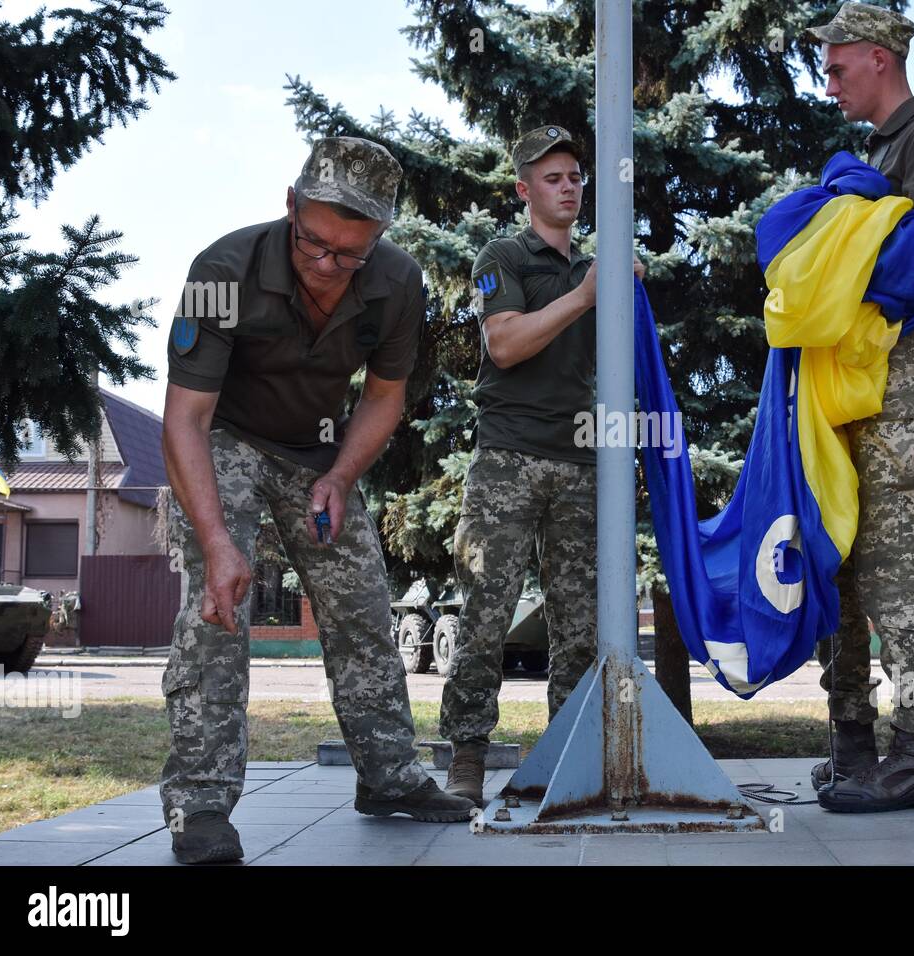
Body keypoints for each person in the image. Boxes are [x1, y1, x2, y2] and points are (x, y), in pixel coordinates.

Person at [161, 136, 475, 864]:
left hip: (319, 451)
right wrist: (216, 543)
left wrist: (339, 476)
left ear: (381, 239)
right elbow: (185, 418)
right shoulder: (222, 271)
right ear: (291, 205)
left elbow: (386, 396)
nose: (327, 266)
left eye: (350, 254)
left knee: (364, 604)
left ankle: (391, 775)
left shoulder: (398, 282)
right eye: (314, 244)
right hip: (225, 439)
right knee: (218, 610)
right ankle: (201, 806)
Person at [440, 125, 643, 806]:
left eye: (576, 176)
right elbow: (503, 345)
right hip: (508, 459)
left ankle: (568, 757)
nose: (569, 187)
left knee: (581, 627)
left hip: (582, 463)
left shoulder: (596, 267)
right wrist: (586, 296)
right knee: (486, 613)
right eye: (552, 178)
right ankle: (467, 755)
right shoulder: (504, 255)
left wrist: (622, 292)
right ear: (525, 190)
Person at [805, 3, 914, 812]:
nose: (827, 82)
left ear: (876, 57)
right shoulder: (874, 150)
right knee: (841, 557)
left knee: (895, 560)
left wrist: (841, 249)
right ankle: (852, 745)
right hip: (853, 370)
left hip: (900, 367)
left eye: (836, 67)